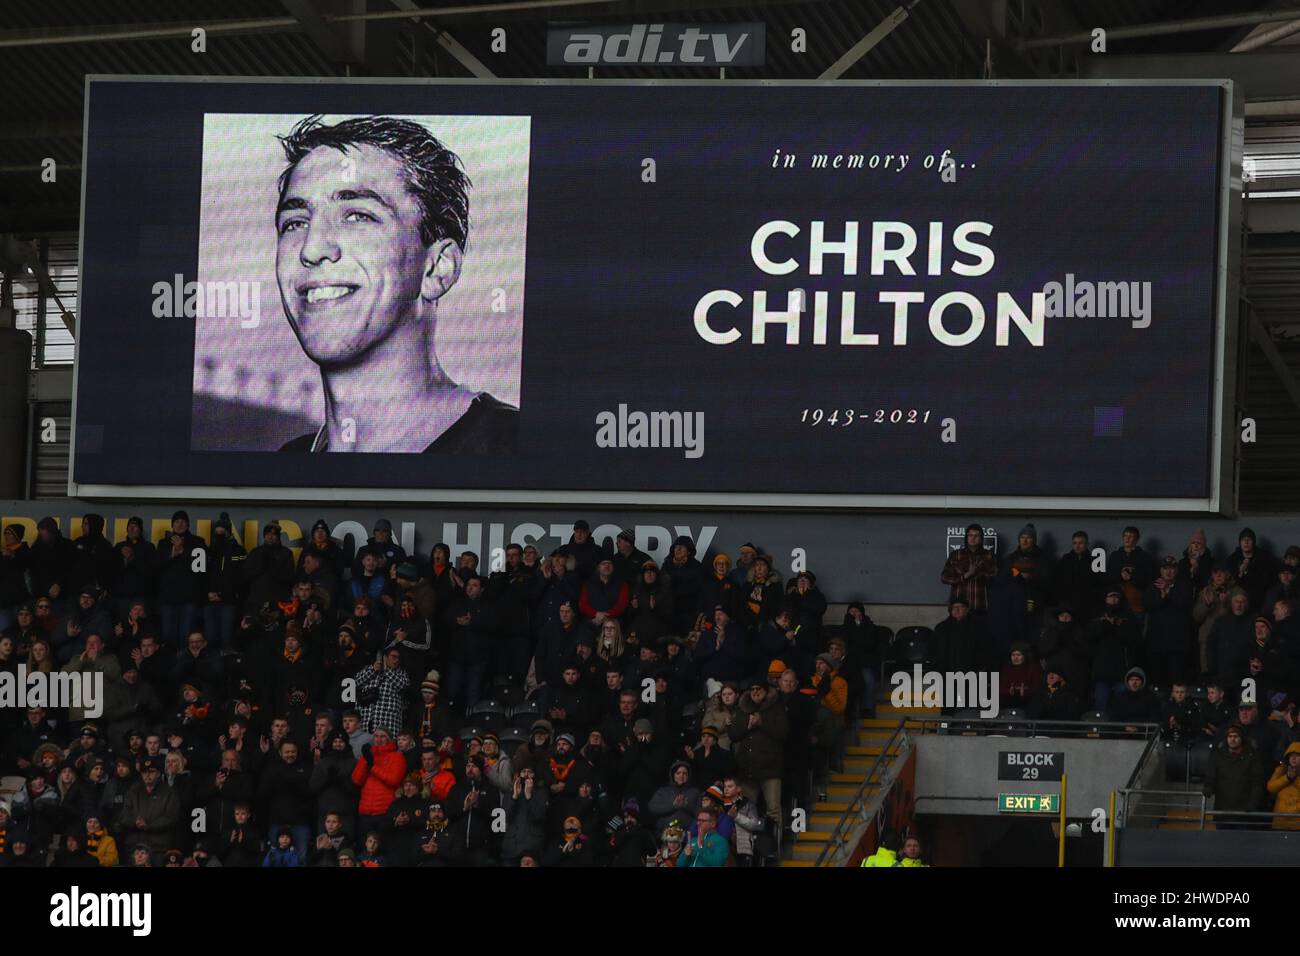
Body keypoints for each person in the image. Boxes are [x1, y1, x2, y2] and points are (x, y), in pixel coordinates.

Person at [275, 114, 517, 453]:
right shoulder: (286, 467)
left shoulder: (513, 447)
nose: (311, 249)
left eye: (358, 216)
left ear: (437, 269)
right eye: (295, 222)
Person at [728, 680, 789, 826]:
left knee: (773, 810)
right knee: (746, 810)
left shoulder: (776, 708)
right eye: (752, 688)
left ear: (766, 691)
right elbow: (733, 735)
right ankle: (747, 847)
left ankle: (774, 844)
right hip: (747, 769)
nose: (755, 692)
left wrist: (761, 723)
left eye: (758, 689)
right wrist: (747, 726)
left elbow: (783, 733)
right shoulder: (742, 709)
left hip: (771, 769)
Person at [1204, 724, 1265, 829]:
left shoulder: (1251, 757)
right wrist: (1208, 787)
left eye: (1236, 736)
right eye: (1230, 736)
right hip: (1222, 811)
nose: (1232, 739)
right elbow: (1211, 775)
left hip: (1243, 812)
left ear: (1241, 739)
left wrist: (1253, 803)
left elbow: (1257, 782)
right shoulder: (1218, 755)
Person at [941, 524, 996, 612]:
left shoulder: (988, 556)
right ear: (966, 537)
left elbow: (996, 577)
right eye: (970, 535)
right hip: (959, 609)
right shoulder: (956, 555)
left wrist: (978, 574)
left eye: (976, 536)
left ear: (981, 538)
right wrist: (965, 576)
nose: (973, 538)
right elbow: (944, 577)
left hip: (981, 605)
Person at [1266, 742, 1300, 830]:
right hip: (1281, 820)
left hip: (1297, 822)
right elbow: (1271, 787)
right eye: (1291, 756)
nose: (1293, 758)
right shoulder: (1280, 770)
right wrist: (1287, 778)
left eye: (1297, 756)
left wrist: (1295, 779)